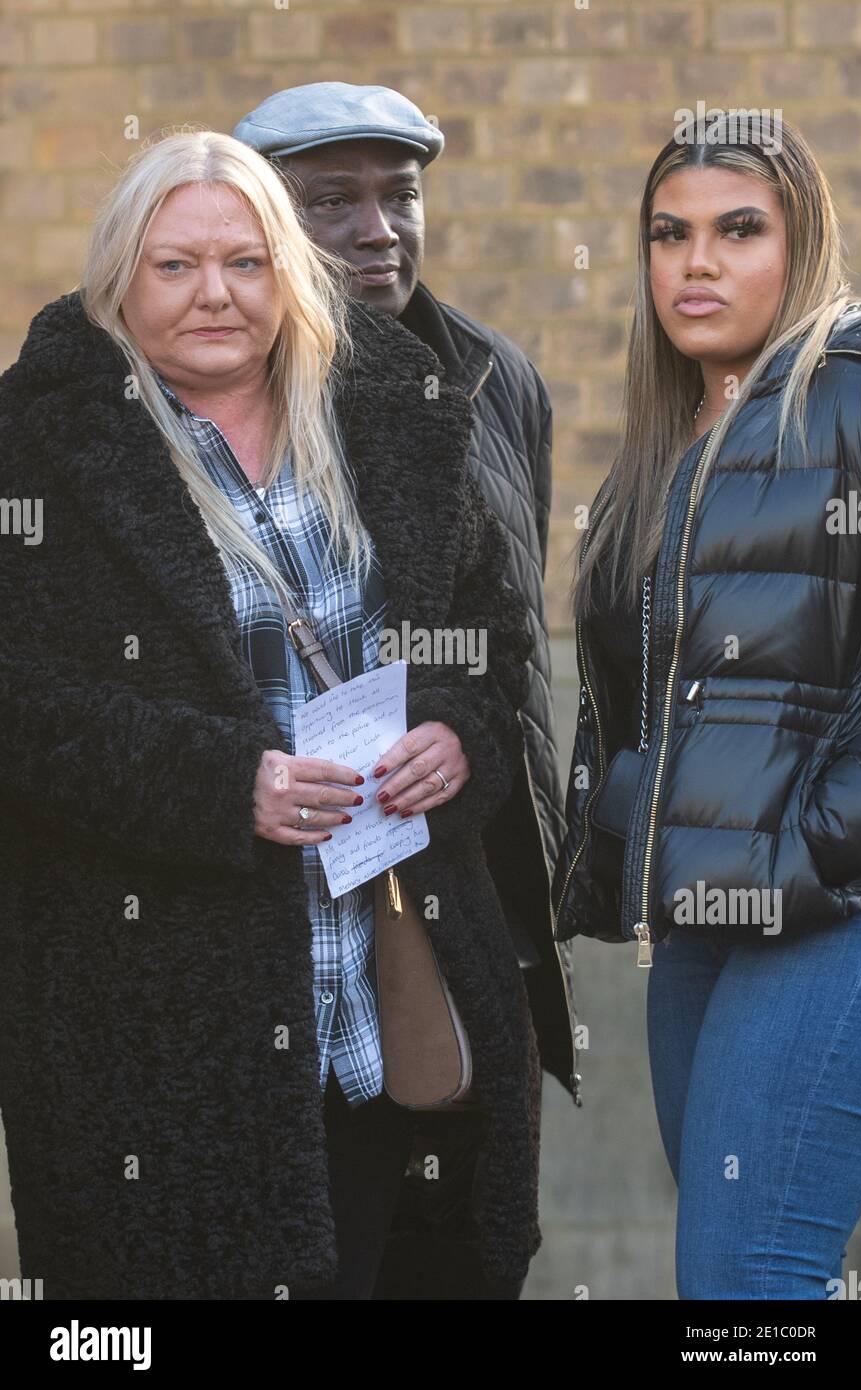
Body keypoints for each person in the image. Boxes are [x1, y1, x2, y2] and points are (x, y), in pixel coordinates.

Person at [0, 129, 544, 1300]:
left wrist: (453, 730)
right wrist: (220, 781)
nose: (214, 295)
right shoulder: (38, 450)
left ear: (286, 270)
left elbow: (489, 642)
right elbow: (23, 707)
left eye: (245, 262)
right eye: (175, 266)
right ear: (117, 281)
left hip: (391, 972)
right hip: (166, 1015)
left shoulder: (391, 416)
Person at [553, 113, 861, 1299]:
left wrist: (822, 834)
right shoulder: (661, 440)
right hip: (703, 920)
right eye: (668, 233)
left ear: (800, 242)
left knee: (745, 1280)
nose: (696, 262)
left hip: (828, 909)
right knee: (761, 1271)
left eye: (739, 230)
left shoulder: (844, 387)